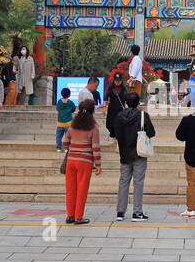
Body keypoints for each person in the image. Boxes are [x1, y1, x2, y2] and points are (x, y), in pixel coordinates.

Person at [111, 91, 155, 221]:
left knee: (123, 182)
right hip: (139, 153)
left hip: (124, 153)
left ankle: (120, 212)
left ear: (125, 102)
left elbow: (113, 132)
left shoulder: (119, 116)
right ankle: (137, 212)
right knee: (138, 183)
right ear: (138, 103)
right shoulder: (143, 116)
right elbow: (151, 132)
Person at [63, 100, 101, 224]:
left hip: (71, 161)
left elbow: (64, 143)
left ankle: (70, 216)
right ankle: (79, 217)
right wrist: (98, 165)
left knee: (70, 189)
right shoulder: (93, 127)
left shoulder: (72, 125)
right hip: (85, 161)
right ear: (92, 111)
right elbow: (95, 147)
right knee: (82, 189)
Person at [55, 87, 75, 151]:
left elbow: (57, 109)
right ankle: (66, 148)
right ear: (69, 95)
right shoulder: (70, 102)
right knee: (68, 137)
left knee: (58, 136)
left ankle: (58, 148)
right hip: (68, 123)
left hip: (60, 123)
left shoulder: (59, 102)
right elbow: (73, 109)